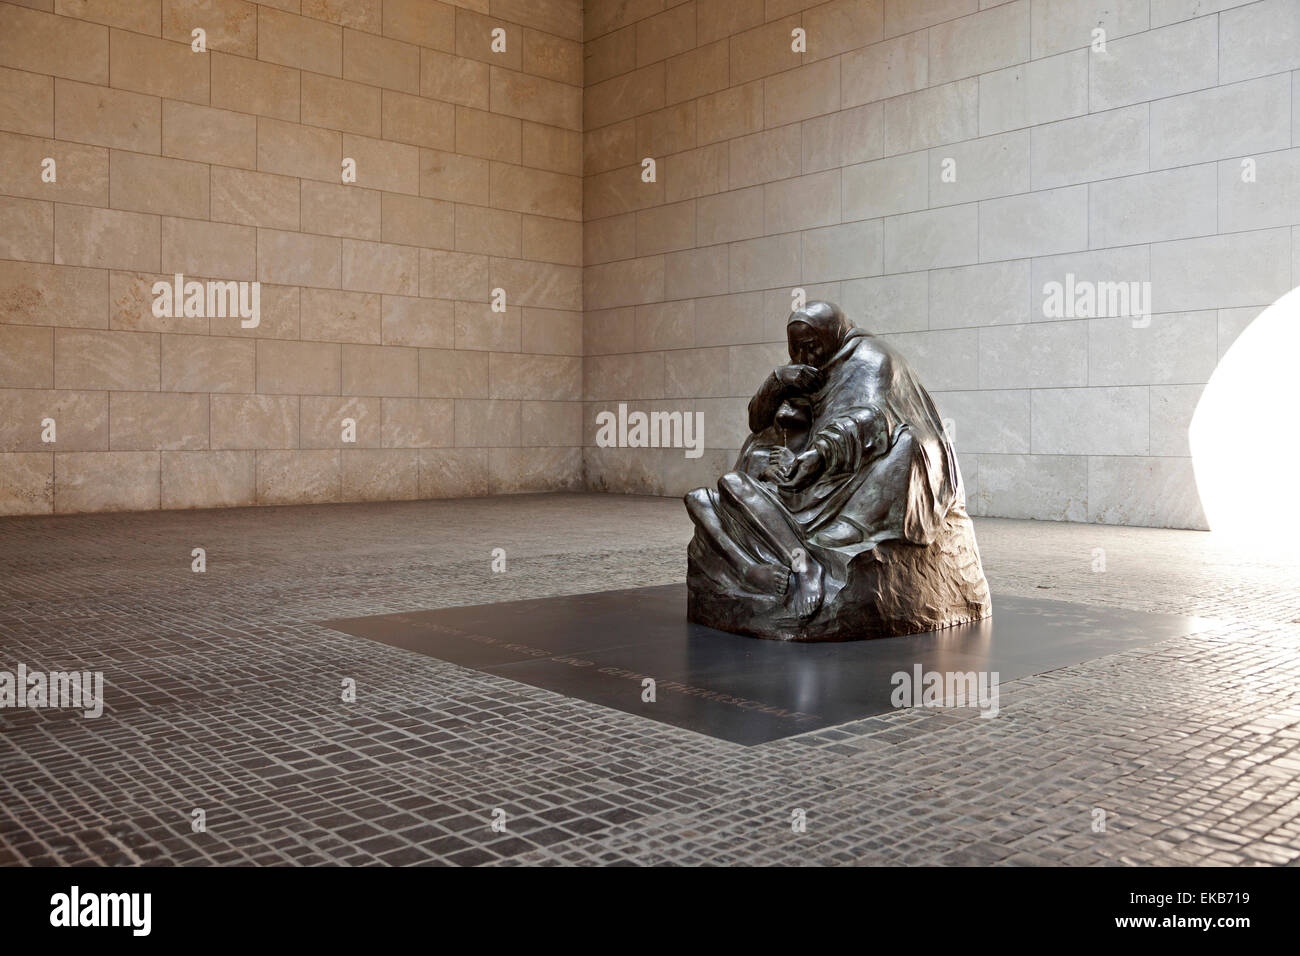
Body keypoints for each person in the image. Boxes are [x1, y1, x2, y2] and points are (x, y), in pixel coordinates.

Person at [685, 301, 965, 624]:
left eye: (811, 347)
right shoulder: (805, 369)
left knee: (729, 492)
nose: (805, 358)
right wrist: (777, 381)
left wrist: (812, 459)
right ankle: (757, 565)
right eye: (796, 350)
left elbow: (871, 420)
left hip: (848, 477)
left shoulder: (871, 360)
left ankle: (802, 561)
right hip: (806, 474)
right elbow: (758, 421)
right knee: (717, 490)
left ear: (833, 334)